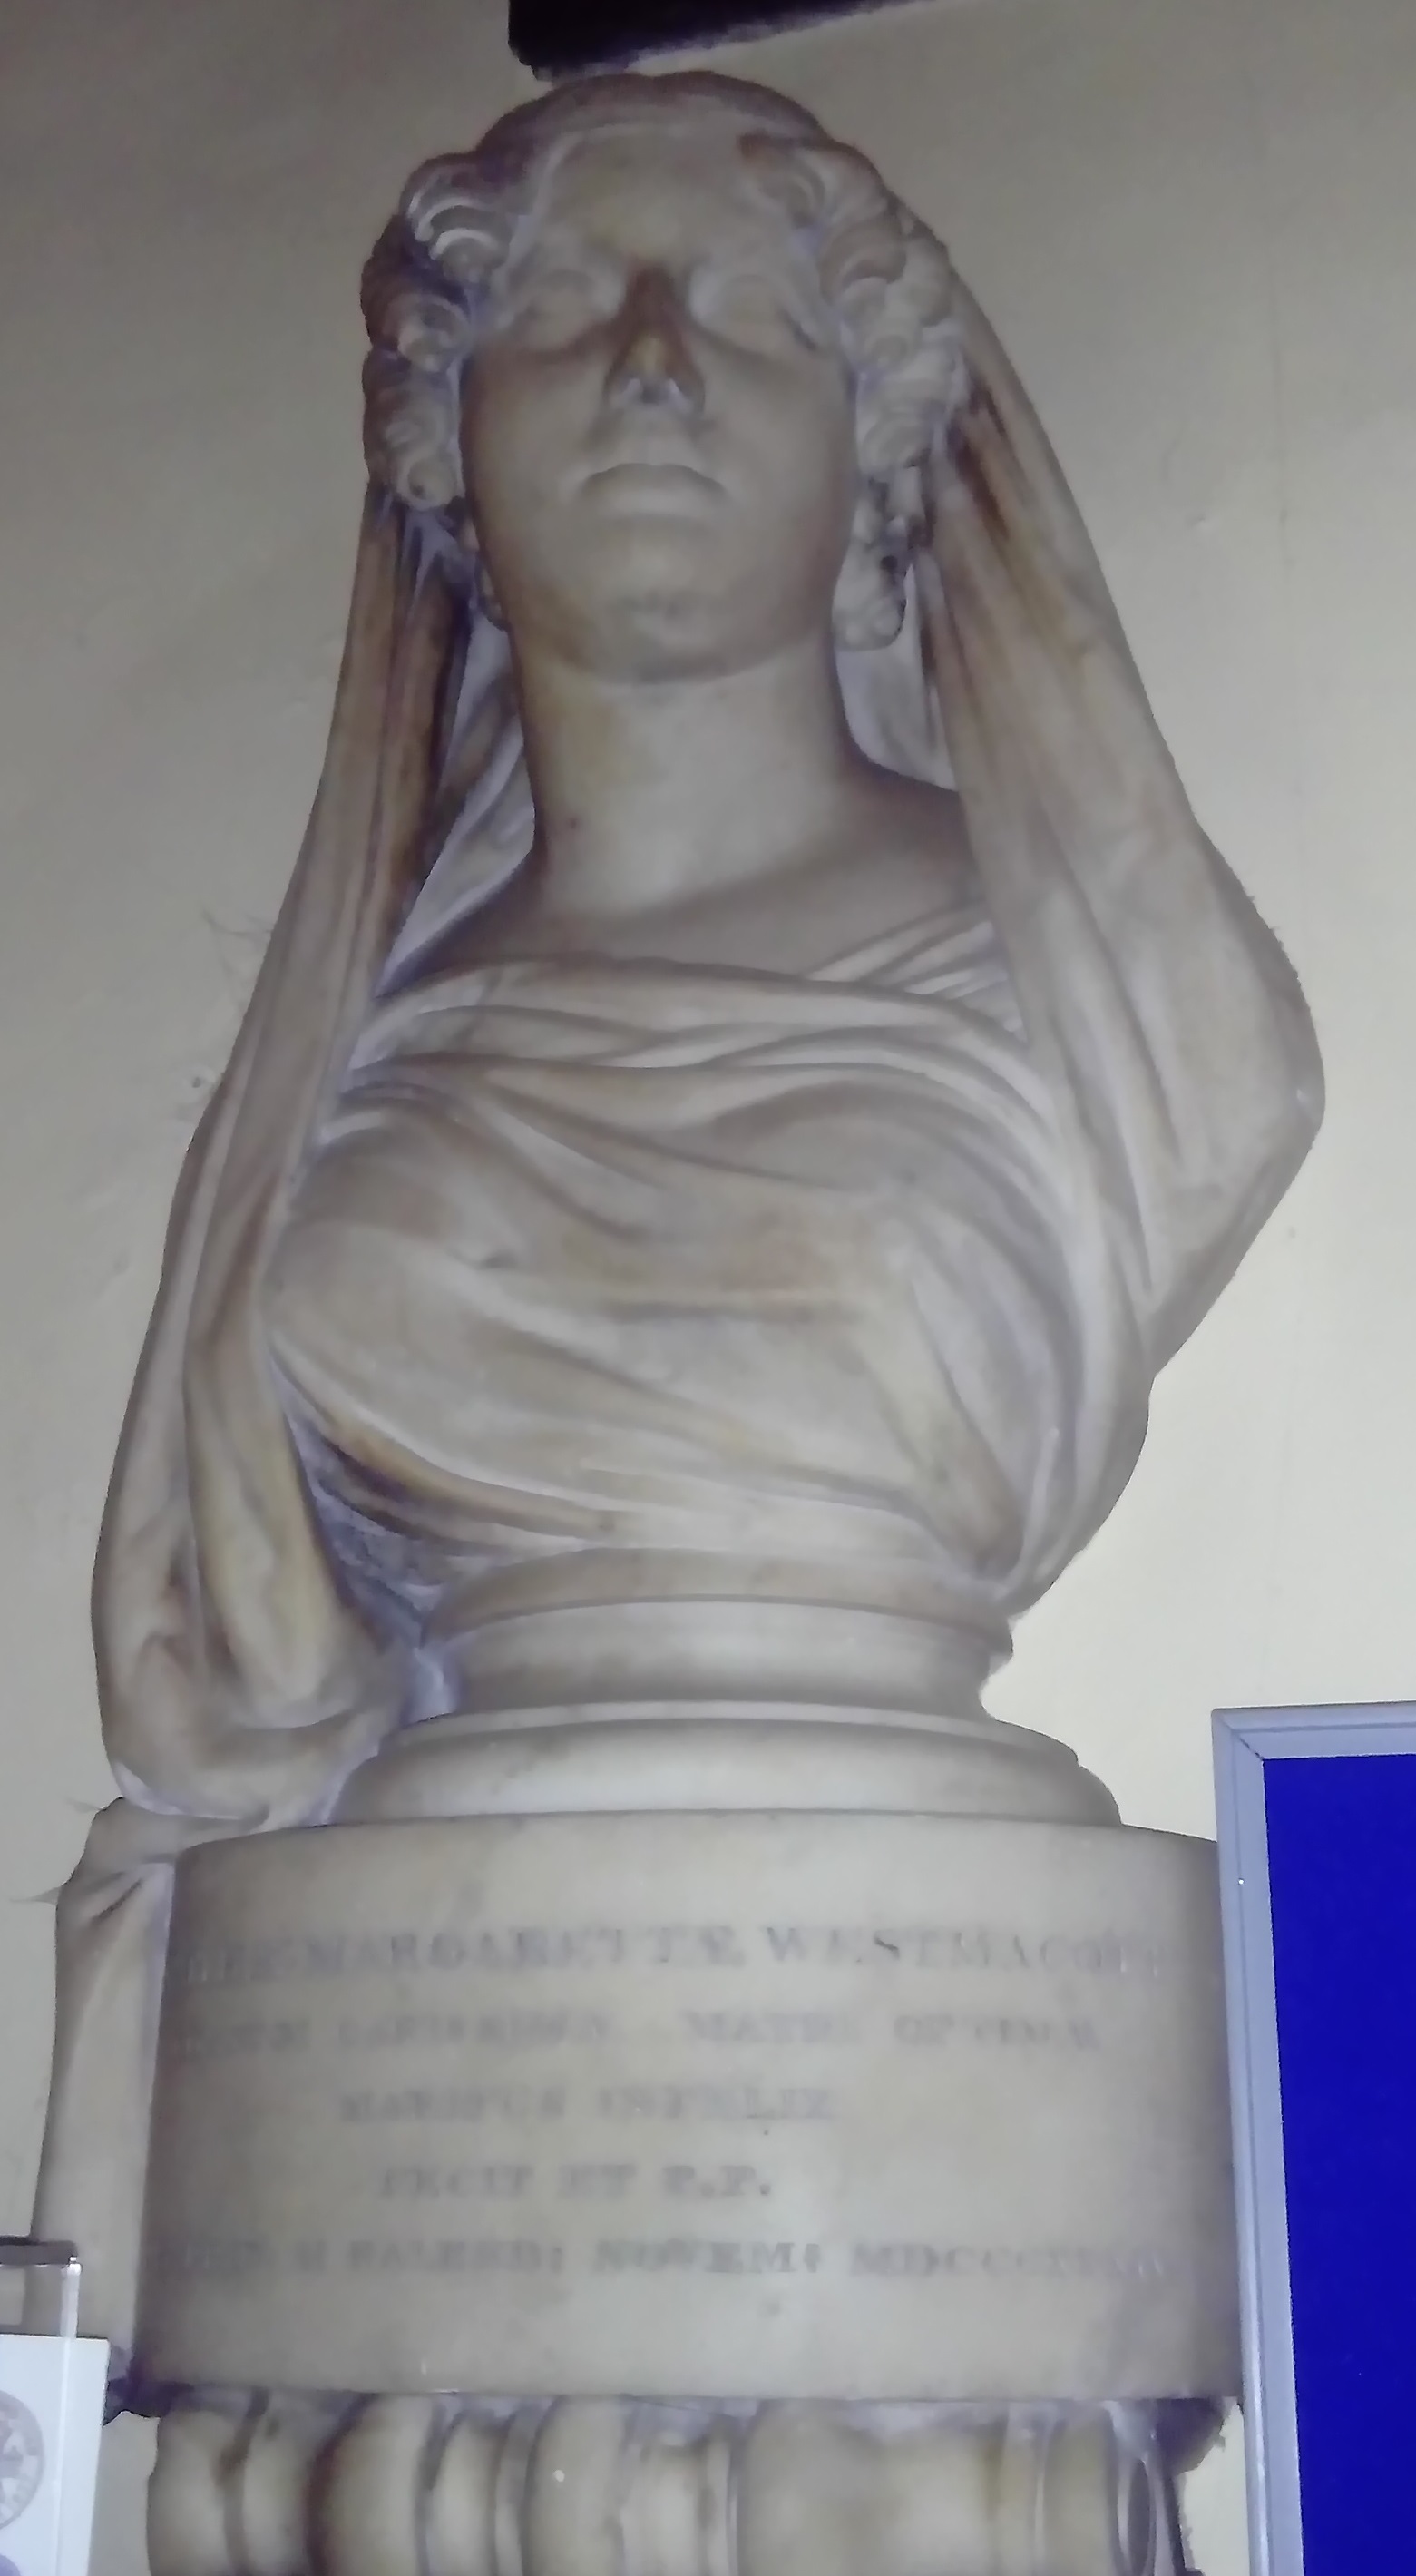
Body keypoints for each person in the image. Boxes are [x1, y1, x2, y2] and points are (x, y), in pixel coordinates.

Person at [34, 70, 1321, 2368]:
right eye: (553, 304)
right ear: (438, 439)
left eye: (742, 311)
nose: (644, 363)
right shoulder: (354, 1074)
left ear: (876, 449)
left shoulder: (1112, 1035)